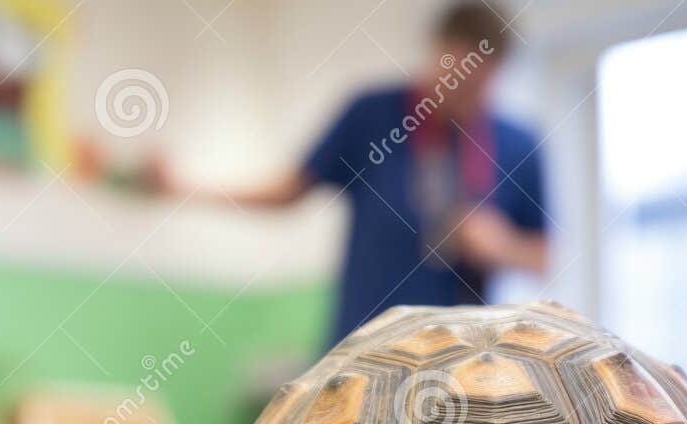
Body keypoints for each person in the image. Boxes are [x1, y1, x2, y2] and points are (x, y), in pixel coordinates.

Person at [173, 3, 550, 345]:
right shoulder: (371, 116)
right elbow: (287, 191)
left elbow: (545, 255)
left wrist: (502, 245)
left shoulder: (518, 145)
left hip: (462, 361)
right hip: (362, 351)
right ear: (435, 51)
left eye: (477, 87)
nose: (461, 94)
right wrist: (184, 187)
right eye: (456, 77)